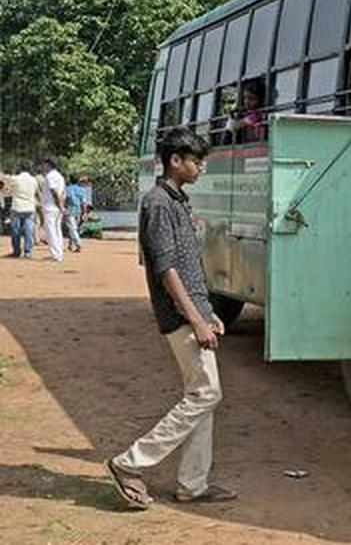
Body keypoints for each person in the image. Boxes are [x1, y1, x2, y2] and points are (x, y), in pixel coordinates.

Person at [105, 128, 237, 510]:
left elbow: (186, 265)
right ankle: (130, 463)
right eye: (195, 161)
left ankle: (193, 484)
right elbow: (167, 269)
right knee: (206, 393)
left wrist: (207, 312)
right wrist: (195, 318)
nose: (200, 167)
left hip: (192, 312)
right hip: (180, 316)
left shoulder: (176, 200)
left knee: (202, 396)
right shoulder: (159, 203)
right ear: (175, 161)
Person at [3, 165, 38, 258]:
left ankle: (16, 251)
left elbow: (7, 191)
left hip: (17, 207)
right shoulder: (34, 180)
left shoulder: (15, 179)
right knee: (28, 230)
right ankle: (28, 252)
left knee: (15, 230)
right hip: (30, 207)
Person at [40, 159, 66, 262]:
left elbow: (54, 192)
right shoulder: (60, 176)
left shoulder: (50, 176)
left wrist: (59, 205)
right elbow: (63, 192)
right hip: (57, 207)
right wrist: (62, 206)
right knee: (57, 230)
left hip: (51, 207)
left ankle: (56, 255)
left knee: (51, 231)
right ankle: (59, 253)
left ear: (49, 165)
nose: (43, 167)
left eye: (44, 165)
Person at [64, 175, 87, 253]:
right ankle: (70, 244)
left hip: (69, 210)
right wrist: (84, 213)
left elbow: (65, 200)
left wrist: (63, 208)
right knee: (74, 228)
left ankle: (78, 243)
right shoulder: (81, 190)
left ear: (70, 180)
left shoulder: (67, 189)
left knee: (72, 228)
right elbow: (84, 202)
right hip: (78, 211)